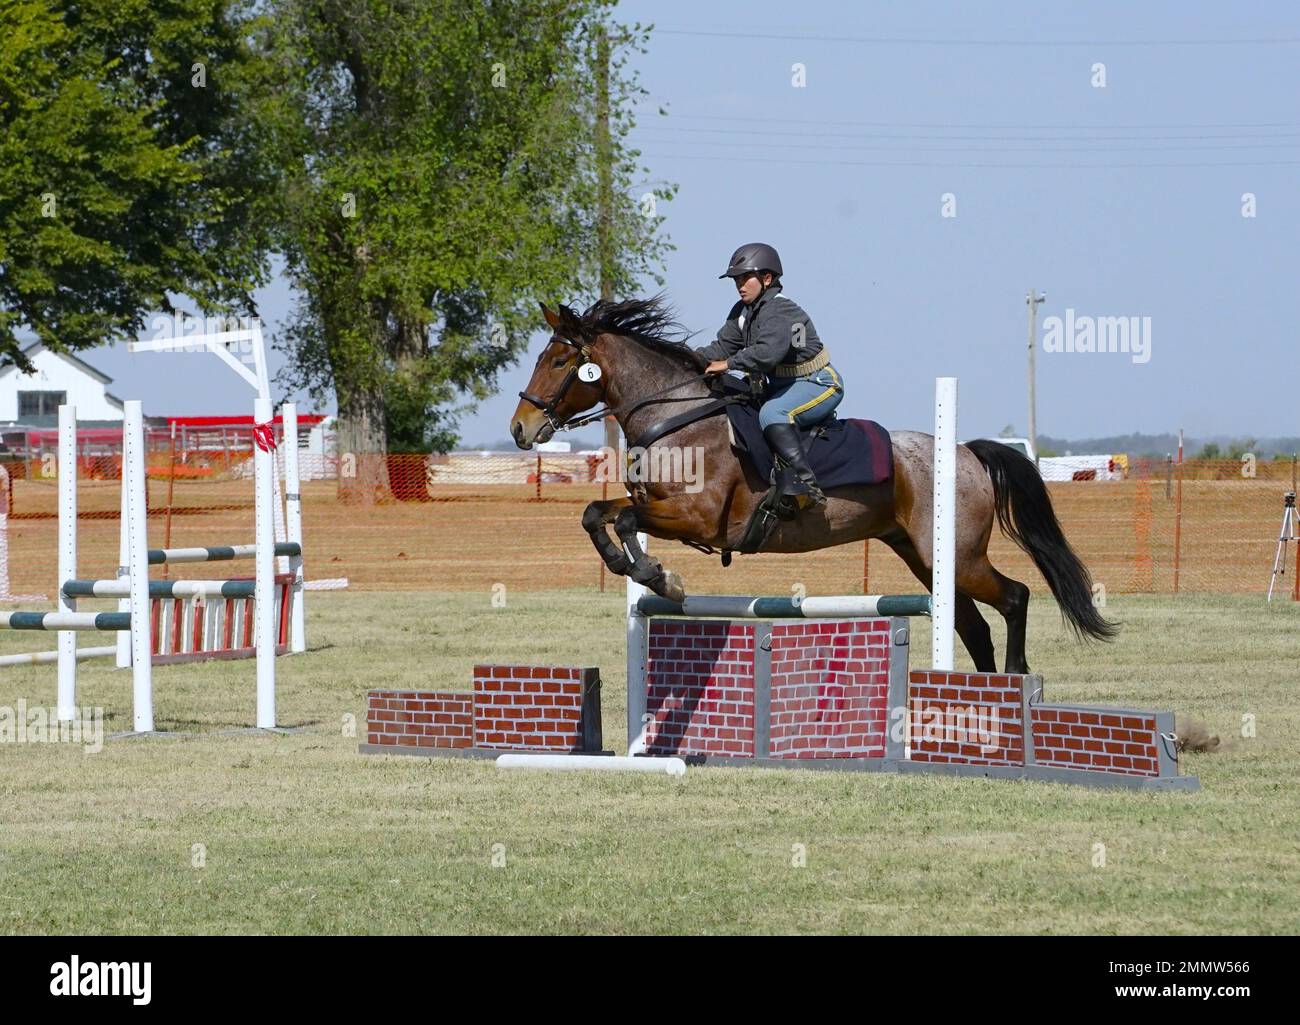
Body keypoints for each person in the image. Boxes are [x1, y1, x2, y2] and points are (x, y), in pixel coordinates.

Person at [695, 242, 843, 512]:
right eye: (736, 279)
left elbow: (766, 355)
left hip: (818, 383)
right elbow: (720, 348)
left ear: (767, 278)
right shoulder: (742, 312)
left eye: (744, 278)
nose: (739, 285)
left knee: (772, 414)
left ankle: (806, 486)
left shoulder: (780, 310)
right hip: (780, 386)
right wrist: (684, 358)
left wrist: (727, 364)